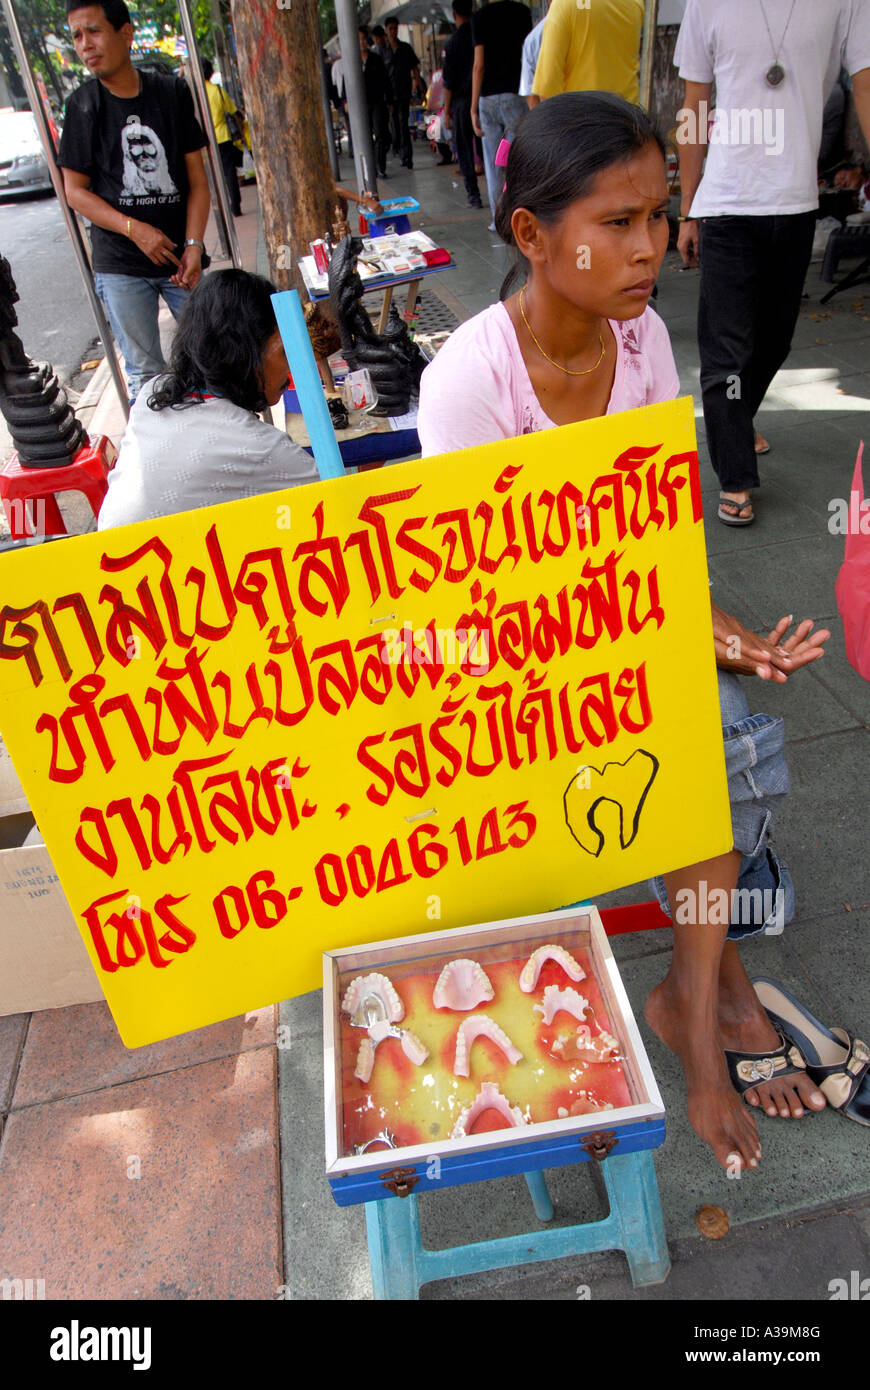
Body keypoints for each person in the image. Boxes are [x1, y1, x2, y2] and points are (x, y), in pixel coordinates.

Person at [419, 93, 834, 1174]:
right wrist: (665, 649)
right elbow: (478, 603)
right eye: (618, 222)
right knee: (690, 739)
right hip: (504, 666)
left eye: (660, 214)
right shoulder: (470, 379)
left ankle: (694, 1003)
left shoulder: (642, 340)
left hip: (616, 640)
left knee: (722, 725)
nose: (650, 247)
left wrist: (721, 631)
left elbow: (650, 549)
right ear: (531, 236)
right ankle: (714, 1008)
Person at [675, 0, 870, 526]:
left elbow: (866, 84)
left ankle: (736, 417)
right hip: (727, 202)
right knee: (727, 350)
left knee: (775, 339)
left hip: (796, 202)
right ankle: (735, 476)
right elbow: (694, 107)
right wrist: (688, 208)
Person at [60, 1, 210, 405]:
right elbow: (74, 192)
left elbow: (199, 182)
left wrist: (194, 245)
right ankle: (165, 459)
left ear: (125, 34)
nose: (85, 45)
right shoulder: (82, 107)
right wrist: (134, 229)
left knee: (214, 356)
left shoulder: (171, 93)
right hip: (121, 265)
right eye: (76, 36)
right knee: (146, 374)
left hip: (181, 259)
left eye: (93, 31)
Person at [98, 270, 319, 530]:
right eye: (283, 352)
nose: (291, 367)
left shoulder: (153, 392)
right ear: (245, 354)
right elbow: (339, 496)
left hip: (108, 551)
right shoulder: (258, 446)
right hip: (158, 565)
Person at [471, 0, 533, 224]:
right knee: (519, 158)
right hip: (515, 94)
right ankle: (523, 214)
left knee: (493, 162)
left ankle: (500, 221)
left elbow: (479, 65)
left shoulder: (480, 17)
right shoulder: (522, 12)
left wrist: (473, 106)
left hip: (487, 98)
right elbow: (527, 55)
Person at [531, 0, 644, 104]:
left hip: (582, 117)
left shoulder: (565, 4)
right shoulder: (635, 3)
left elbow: (548, 84)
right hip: (627, 115)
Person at [442, 0, 483, 207]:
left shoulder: (452, 43)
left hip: (461, 102)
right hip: (483, 97)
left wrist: (446, 110)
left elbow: (447, 82)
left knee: (465, 149)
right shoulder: (481, 36)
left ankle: (473, 195)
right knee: (489, 147)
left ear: (454, 14)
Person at [201, 57, 242, 218]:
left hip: (205, 140)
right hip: (223, 136)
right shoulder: (217, 90)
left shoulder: (195, 92)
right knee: (229, 172)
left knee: (212, 175)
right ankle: (235, 206)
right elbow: (233, 110)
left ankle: (219, 208)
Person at [384, 17, 422, 169]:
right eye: (390, 28)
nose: (393, 31)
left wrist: (418, 88)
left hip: (404, 93)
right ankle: (398, 150)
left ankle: (408, 157)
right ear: (386, 30)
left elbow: (415, 69)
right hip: (389, 95)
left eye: (395, 28)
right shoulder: (383, 51)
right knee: (395, 125)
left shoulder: (405, 48)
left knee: (403, 124)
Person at [359, 27, 392, 179]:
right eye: (358, 39)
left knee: (380, 135)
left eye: (363, 39)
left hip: (378, 102)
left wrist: (389, 100)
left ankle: (381, 166)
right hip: (361, 105)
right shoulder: (352, 61)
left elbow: (386, 81)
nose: (361, 42)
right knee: (365, 137)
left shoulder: (376, 59)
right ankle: (369, 168)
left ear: (367, 40)